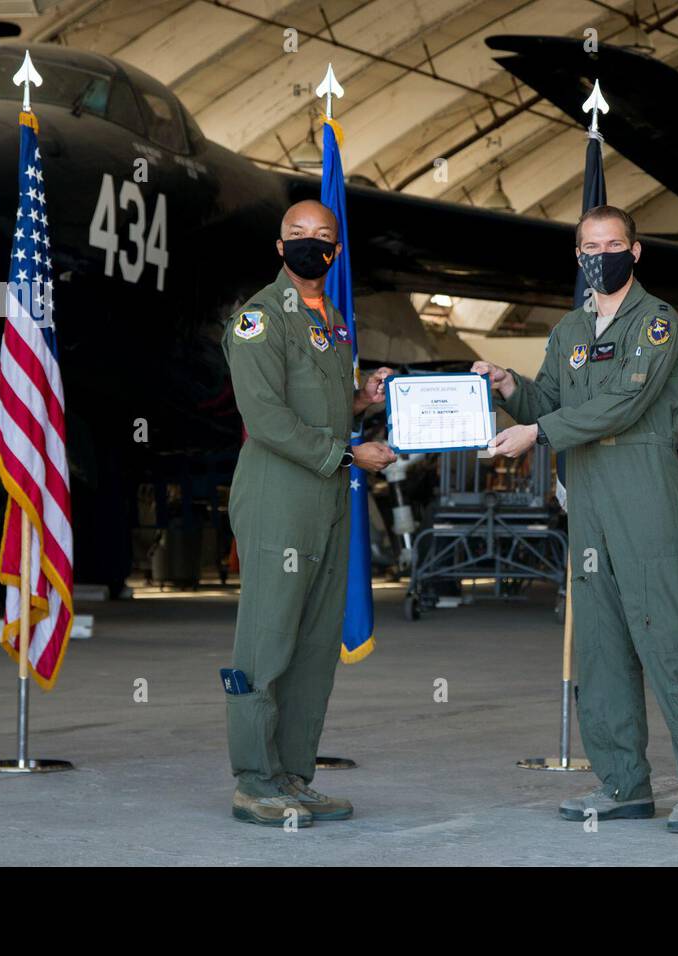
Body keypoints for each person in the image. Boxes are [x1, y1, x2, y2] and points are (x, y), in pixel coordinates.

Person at [474, 204, 678, 833]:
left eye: (613, 245)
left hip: (643, 495)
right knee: (603, 648)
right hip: (587, 500)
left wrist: (538, 430)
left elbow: (624, 403)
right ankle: (622, 783)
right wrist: (509, 389)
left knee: (670, 641)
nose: (601, 257)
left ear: (635, 252)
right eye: (590, 247)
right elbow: (549, 402)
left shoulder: (658, 324)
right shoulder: (568, 333)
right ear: (578, 255)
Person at [221, 199, 395, 827]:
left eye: (324, 236)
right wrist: (349, 451)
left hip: (328, 491)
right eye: (299, 235)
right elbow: (265, 419)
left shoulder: (335, 321)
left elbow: (324, 405)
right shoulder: (259, 320)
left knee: (316, 641)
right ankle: (253, 779)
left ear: (338, 250)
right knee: (267, 639)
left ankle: (293, 774)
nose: (312, 245)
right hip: (279, 492)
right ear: (279, 246)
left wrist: (362, 397)